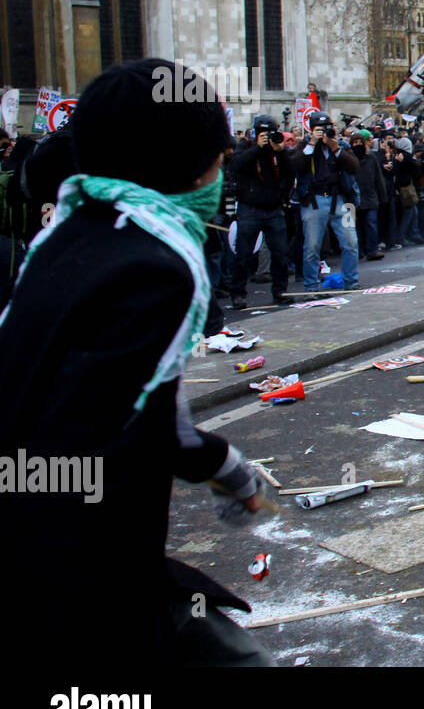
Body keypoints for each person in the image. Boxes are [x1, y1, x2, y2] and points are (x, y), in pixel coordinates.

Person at [0, 59, 274, 665]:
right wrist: (230, 471)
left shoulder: (72, 233)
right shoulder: (155, 267)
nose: (220, 175)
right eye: (218, 159)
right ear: (184, 165)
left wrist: (225, 469)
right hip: (76, 568)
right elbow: (134, 429)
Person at [227, 114, 293, 309]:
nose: (267, 137)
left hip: (273, 208)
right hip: (250, 208)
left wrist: (280, 152)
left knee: (280, 253)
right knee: (244, 254)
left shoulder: (277, 150)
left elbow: (291, 173)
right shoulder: (246, 146)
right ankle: (238, 294)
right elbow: (235, 166)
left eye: (269, 133)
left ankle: (280, 291)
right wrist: (257, 147)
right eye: (263, 133)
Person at [293, 110, 360, 291]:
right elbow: (295, 165)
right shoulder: (305, 147)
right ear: (312, 130)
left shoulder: (340, 145)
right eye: (319, 129)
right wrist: (312, 144)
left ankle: (351, 282)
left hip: (341, 200)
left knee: (351, 242)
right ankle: (311, 286)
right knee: (312, 246)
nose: (324, 132)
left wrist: (335, 148)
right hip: (314, 201)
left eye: (327, 128)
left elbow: (354, 167)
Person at [352, 129, 386, 260]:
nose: (357, 145)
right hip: (353, 198)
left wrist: (382, 196)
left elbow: (378, 177)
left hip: (370, 195)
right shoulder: (348, 157)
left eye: (360, 142)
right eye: (354, 143)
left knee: (371, 224)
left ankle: (372, 249)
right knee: (355, 227)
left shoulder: (371, 157)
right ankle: (358, 251)